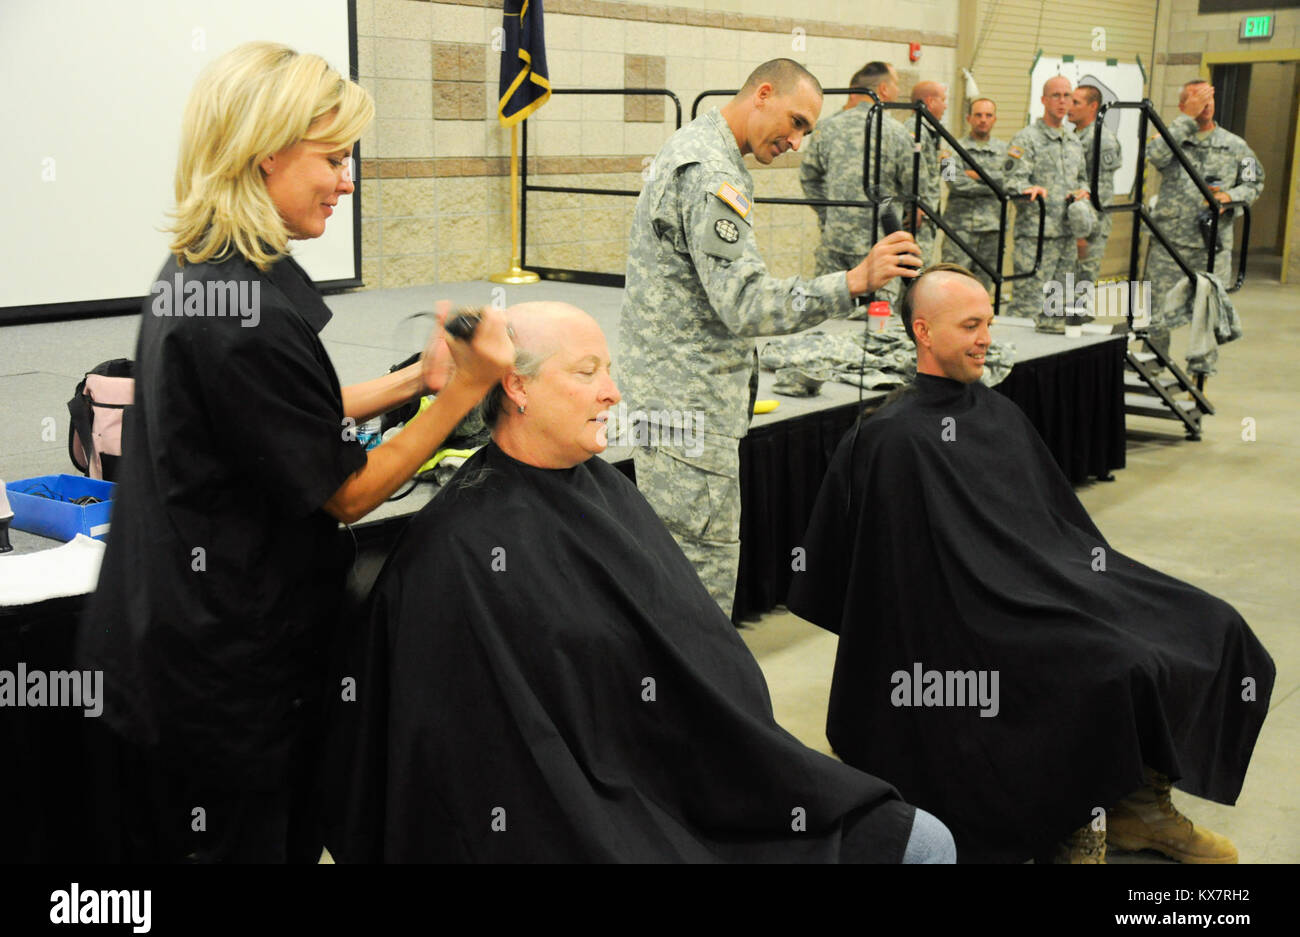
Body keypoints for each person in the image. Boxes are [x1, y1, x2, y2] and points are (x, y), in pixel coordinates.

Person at [75, 42, 514, 863]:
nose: (347, 181)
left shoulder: (212, 271)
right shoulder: (244, 313)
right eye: (334, 158)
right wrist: (458, 396)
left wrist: (413, 381)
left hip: (172, 645)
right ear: (265, 150)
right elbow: (343, 491)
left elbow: (268, 419)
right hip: (218, 678)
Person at [326, 301, 952, 864]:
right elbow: (503, 768)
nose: (614, 393)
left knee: (922, 839)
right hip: (594, 821)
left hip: (699, 786)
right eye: (587, 372)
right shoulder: (461, 551)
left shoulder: (604, 491)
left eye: (609, 371)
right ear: (516, 385)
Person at [788, 265, 1275, 863]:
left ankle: (1139, 808)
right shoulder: (890, 439)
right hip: (968, 617)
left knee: (1212, 623)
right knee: (1114, 664)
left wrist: (1075, 582)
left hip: (1044, 577)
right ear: (923, 332)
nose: (985, 337)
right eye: (970, 325)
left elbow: (1055, 528)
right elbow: (892, 586)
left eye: (988, 323)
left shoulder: (998, 413)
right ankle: (1079, 816)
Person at [619, 58, 920, 618]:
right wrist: (854, 282)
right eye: (797, 121)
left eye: (807, 129)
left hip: (667, 394)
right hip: (690, 407)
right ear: (762, 93)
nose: (799, 141)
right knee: (696, 589)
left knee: (667, 569)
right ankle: (690, 701)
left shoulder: (694, 144)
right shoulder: (714, 175)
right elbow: (747, 305)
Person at [1143, 79, 1264, 362]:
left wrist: (1229, 198)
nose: (1205, 104)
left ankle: (1200, 378)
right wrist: (1186, 120)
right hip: (1169, 242)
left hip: (1211, 243)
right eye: (1198, 98)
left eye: (1209, 98)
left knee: (1209, 313)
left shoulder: (1235, 146)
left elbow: (1253, 183)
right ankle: (1152, 366)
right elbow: (1155, 156)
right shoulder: (1170, 140)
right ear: (1184, 105)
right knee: (1155, 310)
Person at [800, 61, 919, 304]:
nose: (898, 91)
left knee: (828, 314)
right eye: (896, 85)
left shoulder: (826, 127)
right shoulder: (896, 131)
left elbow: (809, 178)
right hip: (880, 247)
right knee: (877, 322)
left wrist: (829, 214)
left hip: (835, 240)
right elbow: (913, 187)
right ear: (884, 89)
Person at [1005, 76, 1090, 331]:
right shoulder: (1026, 139)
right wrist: (1028, 188)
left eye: (1068, 96)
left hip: (1066, 235)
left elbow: (1084, 179)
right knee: (1028, 302)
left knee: (1058, 303)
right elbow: (1010, 180)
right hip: (1036, 236)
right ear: (1044, 100)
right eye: (1056, 95)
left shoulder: (1074, 141)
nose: (1063, 102)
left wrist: (1082, 192)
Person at [942, 97, 1009, 294]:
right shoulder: (951, 148)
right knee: (953, 281)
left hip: (993, 227)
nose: (983, 119)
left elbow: (1009, 182)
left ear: (995, 119)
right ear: (969, 118)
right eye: (978, 115)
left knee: (983, 286)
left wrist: (977, 175)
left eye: (988, 115)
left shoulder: (1006, 151)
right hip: (959, 228)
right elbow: (954, 184)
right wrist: (994, 184)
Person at [1069, 84, 1122, 287]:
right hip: (1074, 217)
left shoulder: (1102, 139)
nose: (1069, 107)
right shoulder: (1073, 136)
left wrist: (1086, 227)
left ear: (1093, 107)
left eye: (1076, 102)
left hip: (1091, 220)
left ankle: (1079, 316)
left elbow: (1102, 190)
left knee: (1083, 274)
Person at [910, 81, 948, 264]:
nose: (946, 106)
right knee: (916, 270)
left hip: (929, 214)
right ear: (931, 102)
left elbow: (950, 173)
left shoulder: (934, 131)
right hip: (920, 214)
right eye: (943, 100)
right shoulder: (915, 128)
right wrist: (917, 203)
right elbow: (911, 169)